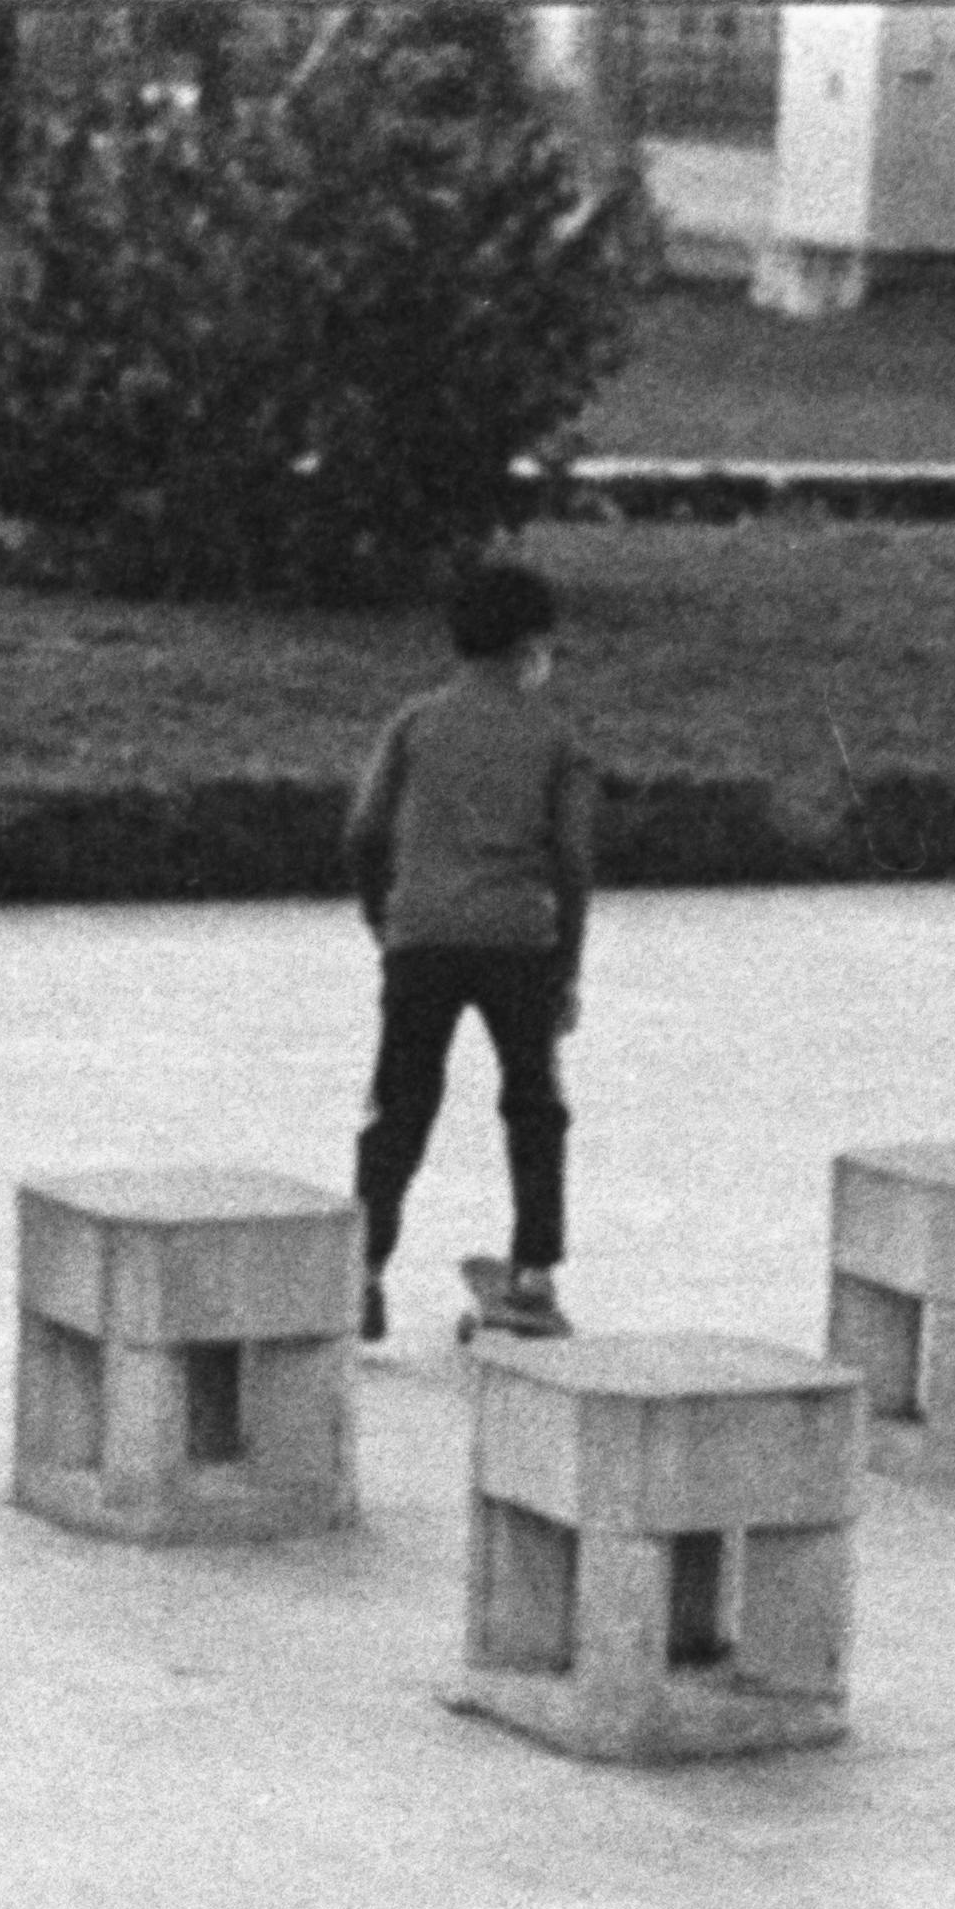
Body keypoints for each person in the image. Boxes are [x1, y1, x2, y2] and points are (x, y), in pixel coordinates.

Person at [342, 554, 596, 1346]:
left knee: (401, 1103)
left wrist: (381, 916)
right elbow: (575, 864)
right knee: (534, 1105)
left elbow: (363, 832)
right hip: (519, 941)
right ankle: (532, 1272)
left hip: (420, 938)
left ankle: (364, 1269)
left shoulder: (415, 723)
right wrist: (565, 968)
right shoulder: (556, 738)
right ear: (531, 647)